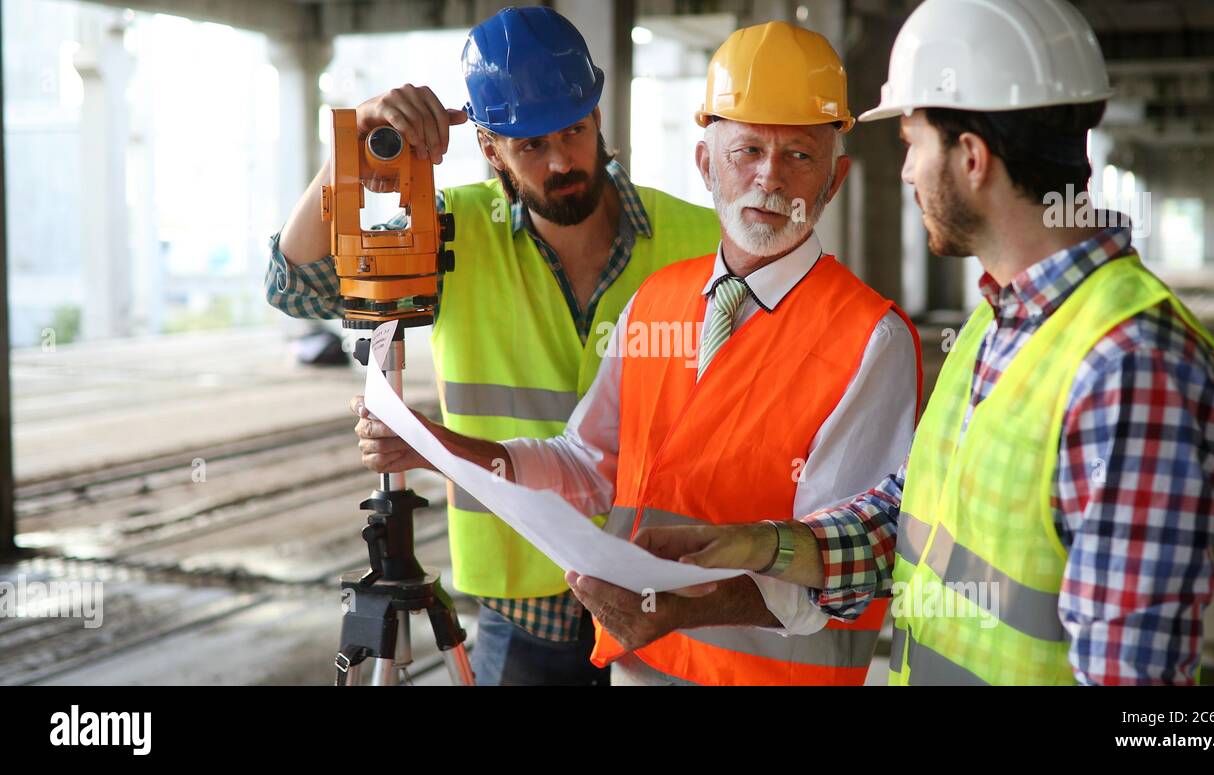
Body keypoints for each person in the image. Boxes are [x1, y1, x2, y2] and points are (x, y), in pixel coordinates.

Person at [635, 0, 1214, 686]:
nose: (903, 172)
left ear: (972, 158)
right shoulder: (998, 319)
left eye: (912, 143)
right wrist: (761, 543)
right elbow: (910, 519)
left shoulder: (1131, 365)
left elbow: (1132, 679)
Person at [352, 21, 922, 685]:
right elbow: (588, 463)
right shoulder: (659, 299)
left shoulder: (868, 338)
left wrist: (680, 609)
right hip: (640, 669)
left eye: (799, 155)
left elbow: (842, 566)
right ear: (707, 163)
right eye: (747, 150)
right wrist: (438, 447)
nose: (770, 177)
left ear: (834, 179)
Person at [267, 6, 720, 685]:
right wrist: (352, 140)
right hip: (522, 601)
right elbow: (294, 285)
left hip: (662, 586)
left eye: (573, 130)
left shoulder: (697, 239)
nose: (562, 159)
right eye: (531, 145)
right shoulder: (453, 232)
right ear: (489, 147)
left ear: (597, 117)